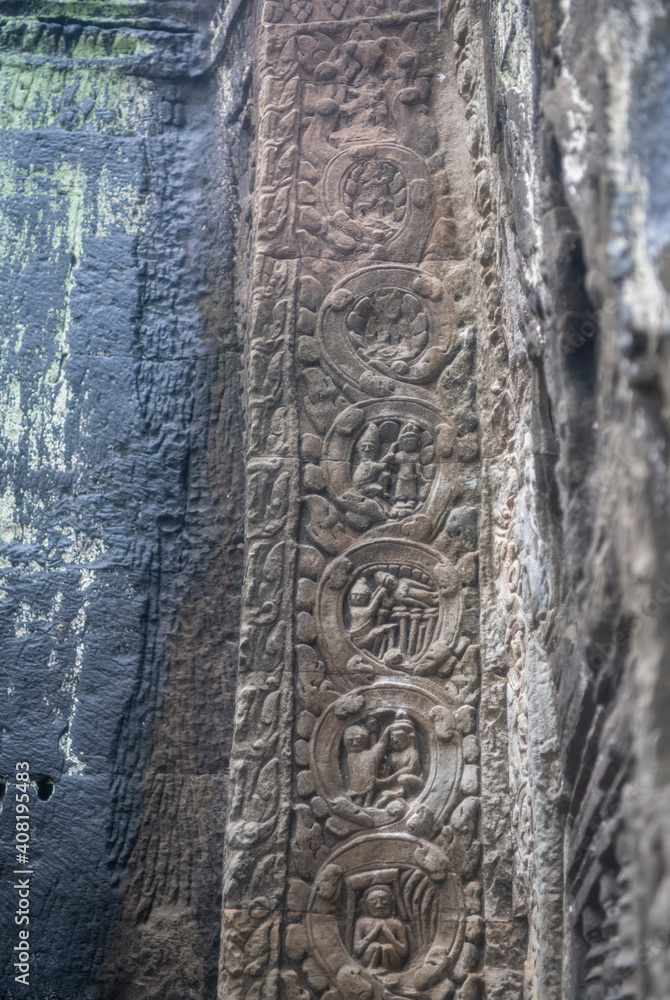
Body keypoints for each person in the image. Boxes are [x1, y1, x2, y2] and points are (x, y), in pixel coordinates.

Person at [353, 885, 408, 972]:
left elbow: (403, 952)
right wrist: (376, 928)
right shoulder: (362, 922)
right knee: (374, 946)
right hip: (368, 959)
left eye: (384, 900)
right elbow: (357, 950)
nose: (379, 905)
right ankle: (371, 968)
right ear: (365, 905)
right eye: (373, 901)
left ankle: (388, 970)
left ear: (392, 902)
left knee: (388, 948)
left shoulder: (396, 923)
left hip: (392, 961)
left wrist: (386, 931)